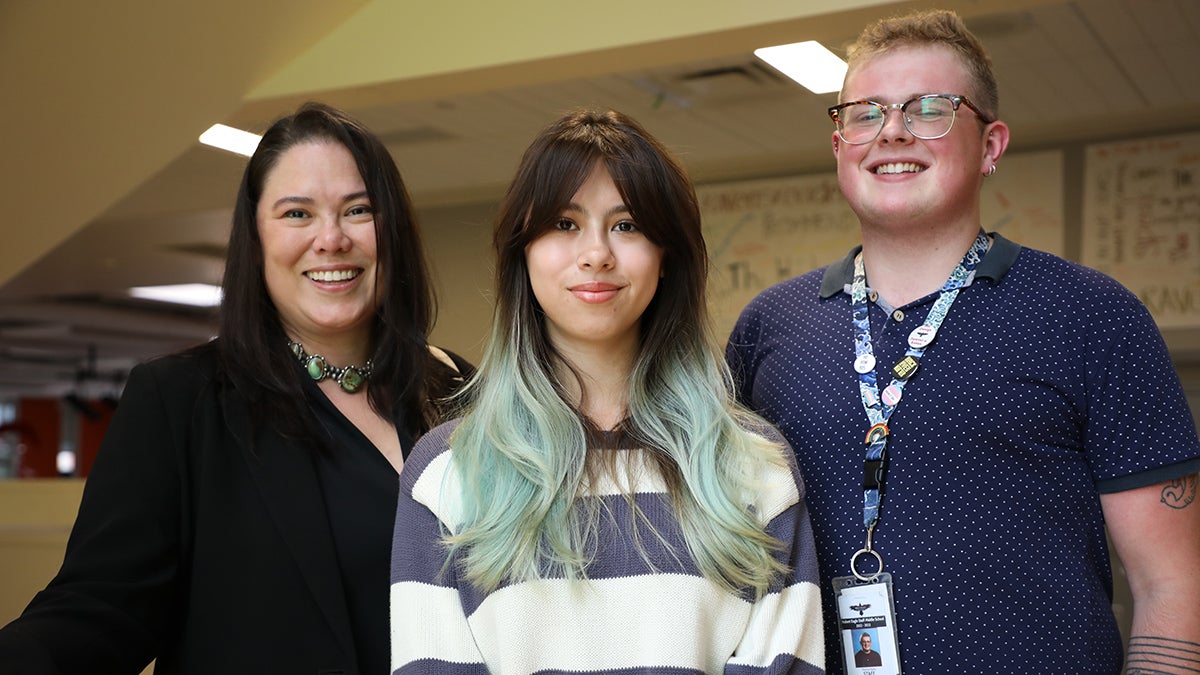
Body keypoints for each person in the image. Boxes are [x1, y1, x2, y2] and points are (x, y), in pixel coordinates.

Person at [726, 9, 1200, 674]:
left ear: (991, 144)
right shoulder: (768, 327)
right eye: (865, 112)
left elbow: (1173, 583)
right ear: (839, 143)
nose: (892, 130)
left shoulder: (1093, 315)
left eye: (930, 109)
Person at [0, 102, 472, 673]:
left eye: (359, 210)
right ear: (255, 236)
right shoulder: (179, 402)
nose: (331, 239)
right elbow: (97, 608)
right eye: (297, 213)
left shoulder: (459, 389)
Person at [389, 109, 824, 674]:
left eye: (628, 225)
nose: (596, 254)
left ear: (667, 257)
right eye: (565, 224)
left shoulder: (753, 463)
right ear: (523, 252)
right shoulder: (446, 471)